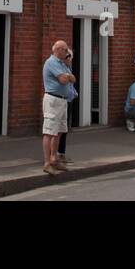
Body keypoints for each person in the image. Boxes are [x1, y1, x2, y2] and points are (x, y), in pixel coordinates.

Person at [42, 40, 76, 174]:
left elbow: (73, 79)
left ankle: (54, 158)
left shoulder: (63, 64)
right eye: (65, 50)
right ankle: (46, 162)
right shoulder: (51, 62)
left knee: (59, 131)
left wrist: (68, 75)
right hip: (53, 100)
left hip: (63, 100)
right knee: (49, 132)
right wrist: (67, 77)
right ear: (58, 50)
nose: (67, 53)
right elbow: (63, 80)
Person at [58, 49, 76, 167]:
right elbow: (66, 80)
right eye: (68, 57)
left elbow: (73, 80)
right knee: (59, 129)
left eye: (71, 57)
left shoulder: (68, 69)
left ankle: (61, 153)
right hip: (61, 101)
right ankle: (57, 154)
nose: (70, 60)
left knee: (64, 129)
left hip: (68, 100)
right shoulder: (60, 68)